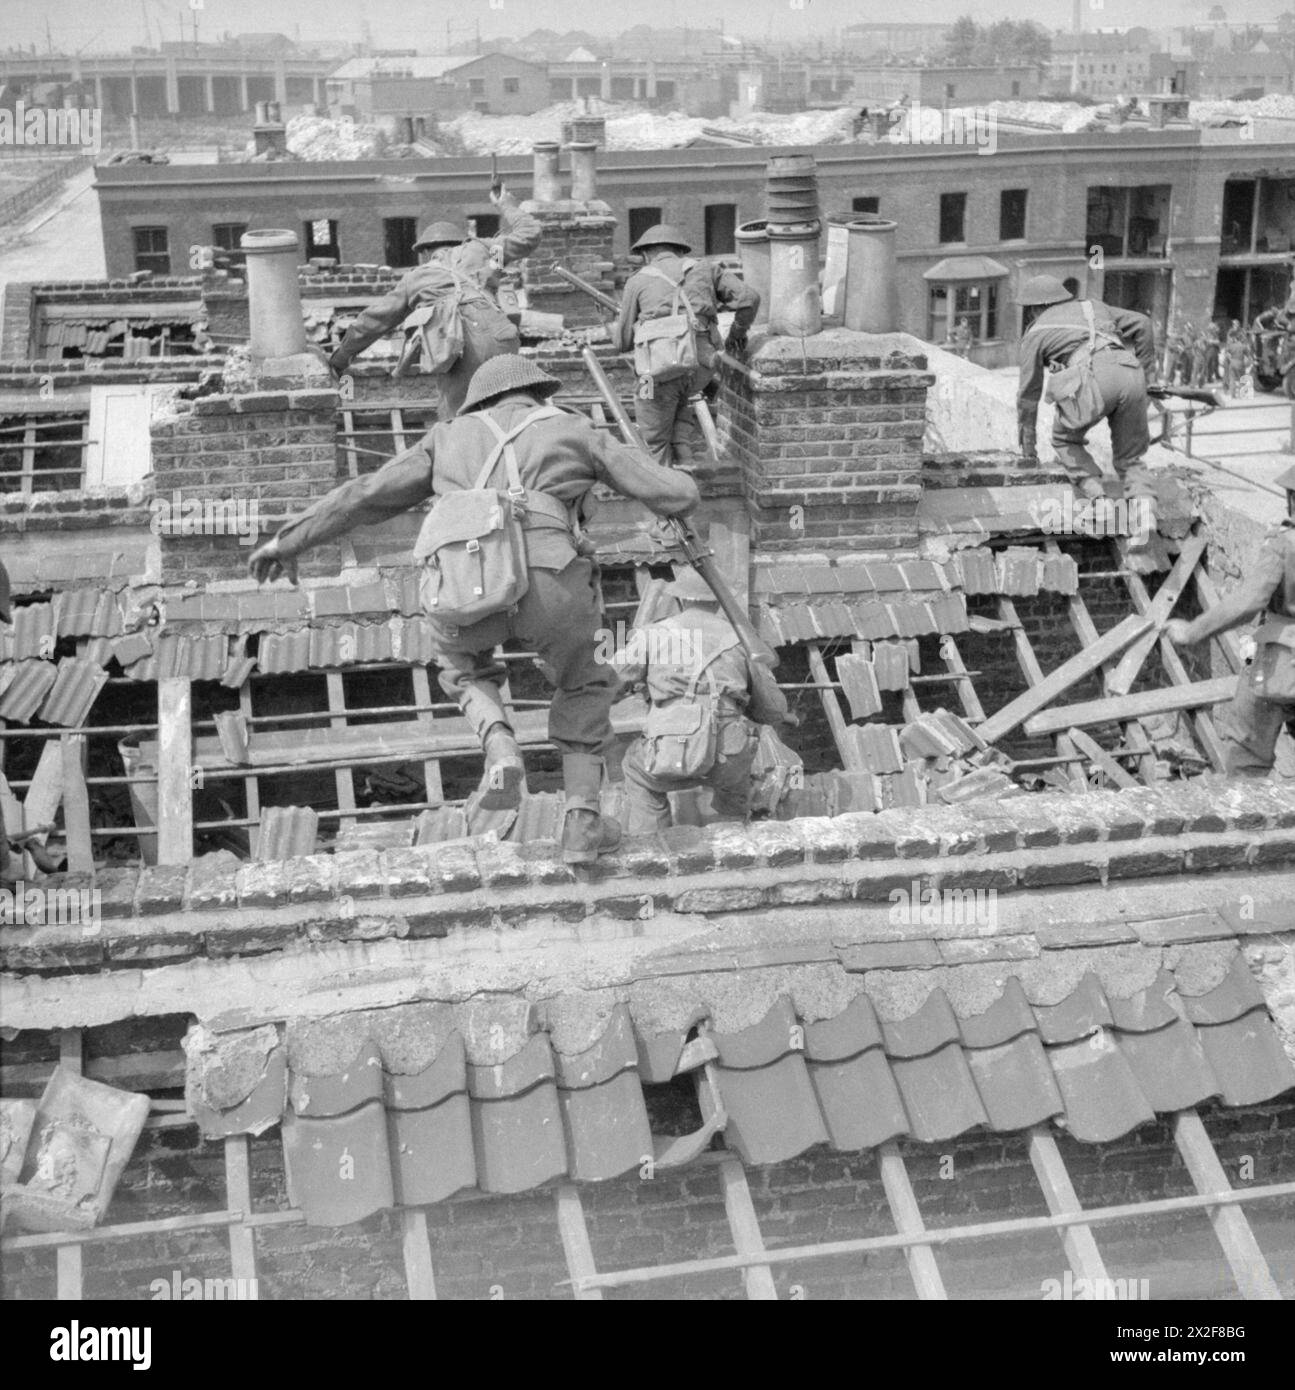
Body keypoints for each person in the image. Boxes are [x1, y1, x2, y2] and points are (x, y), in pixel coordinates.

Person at [246, 355, 699, 864]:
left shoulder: (446, 437)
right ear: (539, 394)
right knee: (585, 682)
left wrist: (288, 541)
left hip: (465, 587)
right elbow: (673, 493)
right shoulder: (573, 429)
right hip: (553, 586)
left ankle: (500, 744)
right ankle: (582, 821)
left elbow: (364, 496)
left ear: (478, 401)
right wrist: (684, 481)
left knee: (461, 667)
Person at [327, 182, 542, 420]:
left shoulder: (416, 277)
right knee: (511, 409)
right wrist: (506, 204)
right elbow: (529, 234)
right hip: (503, 336)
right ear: (461, 242)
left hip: (460, 346)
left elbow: (372, 322)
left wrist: (339, 360)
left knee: (457, 422)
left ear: (425, 253)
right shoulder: (481, 248)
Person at [616, 565, 794, 835]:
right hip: (726, 756)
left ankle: (651, 844)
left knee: (635, 769)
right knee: (738, 779)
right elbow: (772, 710)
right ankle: (733, 839)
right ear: (718, 602)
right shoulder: (744, 641)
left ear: (680, 599)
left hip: (669, 751)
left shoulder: (651, 634)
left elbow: (611, 682)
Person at [1166, 464, 1295, 779]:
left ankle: (1246, 810)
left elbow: (1249, 602)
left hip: (1281, 665)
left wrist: (1192, 631)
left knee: (1246, 758)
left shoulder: (1284, 543)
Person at [1016, 273, 1158, 542]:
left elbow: (1028, 395)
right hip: (1130, 371)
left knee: (1064, 439)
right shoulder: (1092, 306)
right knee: (1130, 457)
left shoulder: (1035, 333)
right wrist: (1148, 379)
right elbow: (1143, 323)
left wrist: (1028, 447)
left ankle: (1101, 502)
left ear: (1035, 308)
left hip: (1094, 378)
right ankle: (1145, 514)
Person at [614, 223, 759, 470]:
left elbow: (622, 343)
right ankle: (686, 466)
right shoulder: (706, 268)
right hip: (701, 369)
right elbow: (750, 298)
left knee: (652, 438)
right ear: (680, 251)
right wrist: (736, 334)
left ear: (646, 254)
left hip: (654, 375)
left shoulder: (638, 280)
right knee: (681, 400)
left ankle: (664, 487)